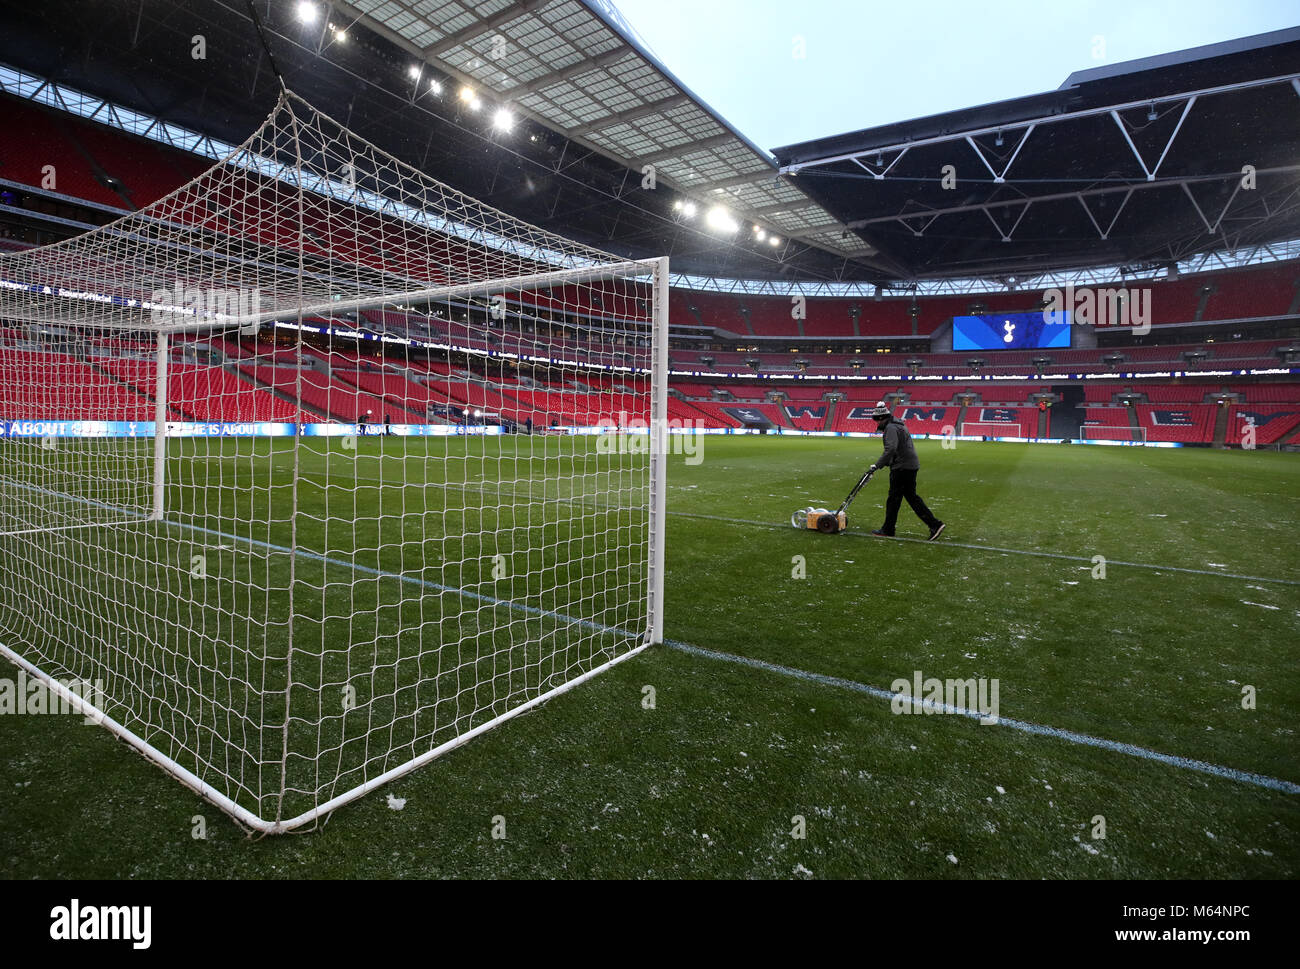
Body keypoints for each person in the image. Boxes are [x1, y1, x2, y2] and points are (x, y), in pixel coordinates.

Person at [866, 402, 945, 541]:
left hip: (902, 467)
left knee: (894, 499)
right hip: (910, 465)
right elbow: (899, 449)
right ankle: (933, 525)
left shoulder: (890, 427)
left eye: (877, 420)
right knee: (908, 498)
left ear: (881, 418)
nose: (877, 423)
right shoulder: (899, 424)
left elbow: (891, 449)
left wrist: (877, 465)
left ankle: (890, 529)